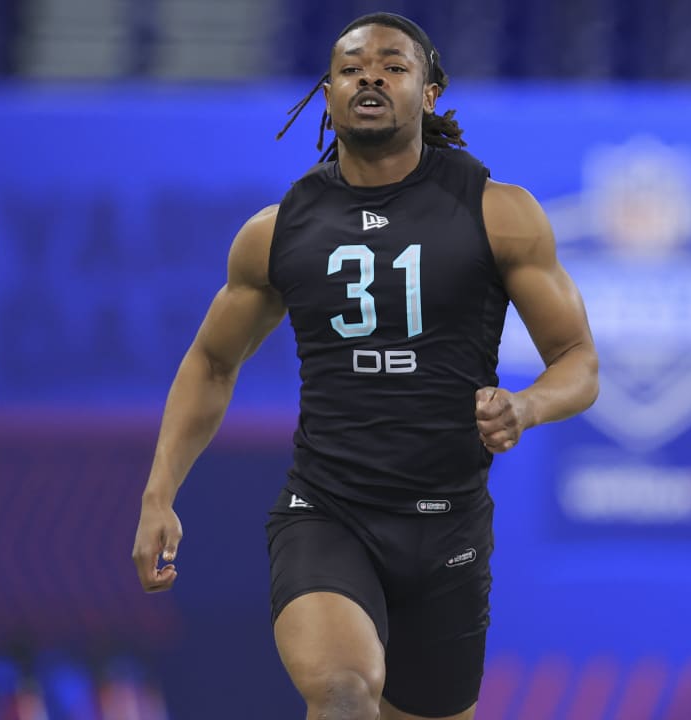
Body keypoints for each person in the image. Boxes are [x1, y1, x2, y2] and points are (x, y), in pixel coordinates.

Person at [131, 11, 599, 720]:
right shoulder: (277, 229)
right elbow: (211, 362)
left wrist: (527, 405)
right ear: (327, 94)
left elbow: (579, 362)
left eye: (392, 65)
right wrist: (159, 493)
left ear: (430, 91)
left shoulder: (499, 214)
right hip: (327, 512)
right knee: (345, 693)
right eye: (351, 68)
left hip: (448, 523)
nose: (370, 75)